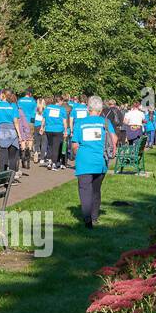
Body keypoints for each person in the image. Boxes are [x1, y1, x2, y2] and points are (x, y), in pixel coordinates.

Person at [71, 96, 114, 228]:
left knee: (85, 189)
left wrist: (78, 154)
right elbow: (114, 140)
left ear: (88, 109)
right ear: (100, 110)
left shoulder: (80, 123)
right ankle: (94, 217)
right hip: (100, 161)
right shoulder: (105, 123)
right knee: (96, 190)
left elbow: (74, 145)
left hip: (84, 160)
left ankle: (87, 219)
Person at [0, 89, 22, 179]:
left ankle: (1, 177)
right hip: (12, 131)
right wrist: (19, 135)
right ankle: (11, 178)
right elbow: (16, 121)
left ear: (3, 95)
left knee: (2, 157)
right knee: (12, 157)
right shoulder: (13, 106)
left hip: (1, 130)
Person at [42, 95, 68, 169]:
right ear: (59, 101)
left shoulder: (48, 108)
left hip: (48, 129)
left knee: (50, 145)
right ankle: (54, 163)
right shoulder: (62, 109)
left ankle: (49, 162)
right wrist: (65, 131)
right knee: (56, 147)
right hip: (58, 130)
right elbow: (64, 122)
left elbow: (44, 118)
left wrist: (42, 127)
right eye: (62, 101)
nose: (62, 103)